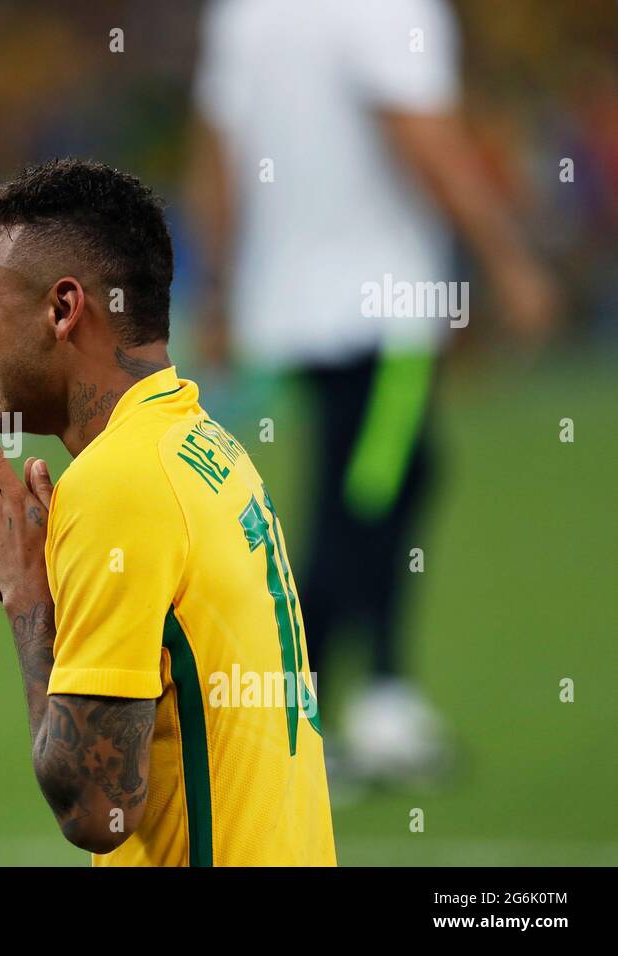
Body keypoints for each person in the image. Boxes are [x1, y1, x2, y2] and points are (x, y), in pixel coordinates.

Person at [0, 159, 335, 866]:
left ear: (62, 308)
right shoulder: (204, 444)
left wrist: (25, 590)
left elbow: (97, 806)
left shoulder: (119, 483)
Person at [189, 0, 557, 783]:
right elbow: (421, 132)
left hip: (287, 299)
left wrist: (217, 288)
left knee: (383, 482)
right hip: (381, 299)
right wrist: (508, 257)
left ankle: (382, 697)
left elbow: (217, 152)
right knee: (365, 499)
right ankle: (291, 717)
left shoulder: (247, 15)